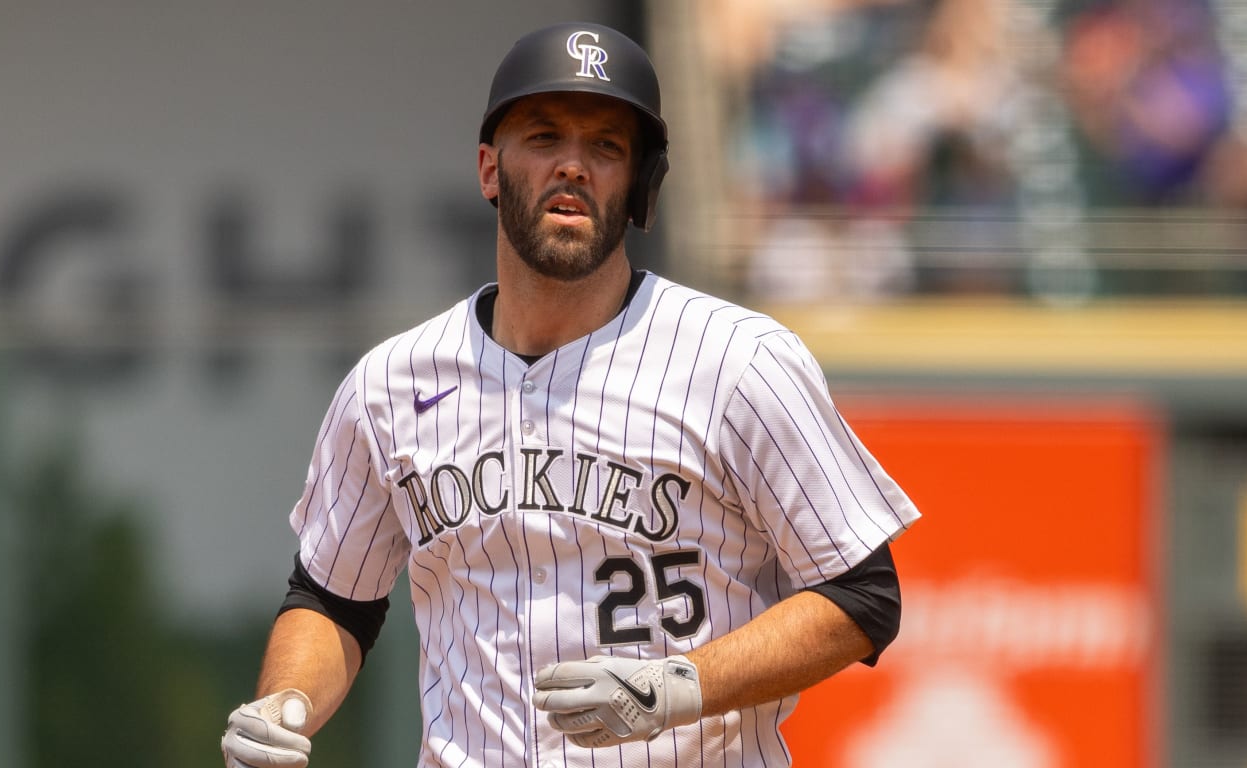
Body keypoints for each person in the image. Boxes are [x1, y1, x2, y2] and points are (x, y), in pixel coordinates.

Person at [221, 21, 920, 768]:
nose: (574, 165)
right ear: (489, 169)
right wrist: (285, 702)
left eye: (606, 146)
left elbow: (863, 597)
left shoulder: (738, 361)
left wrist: (678, 686)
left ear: (640, 184)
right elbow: (332, 600)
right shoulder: (390, 385)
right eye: (544, 136)